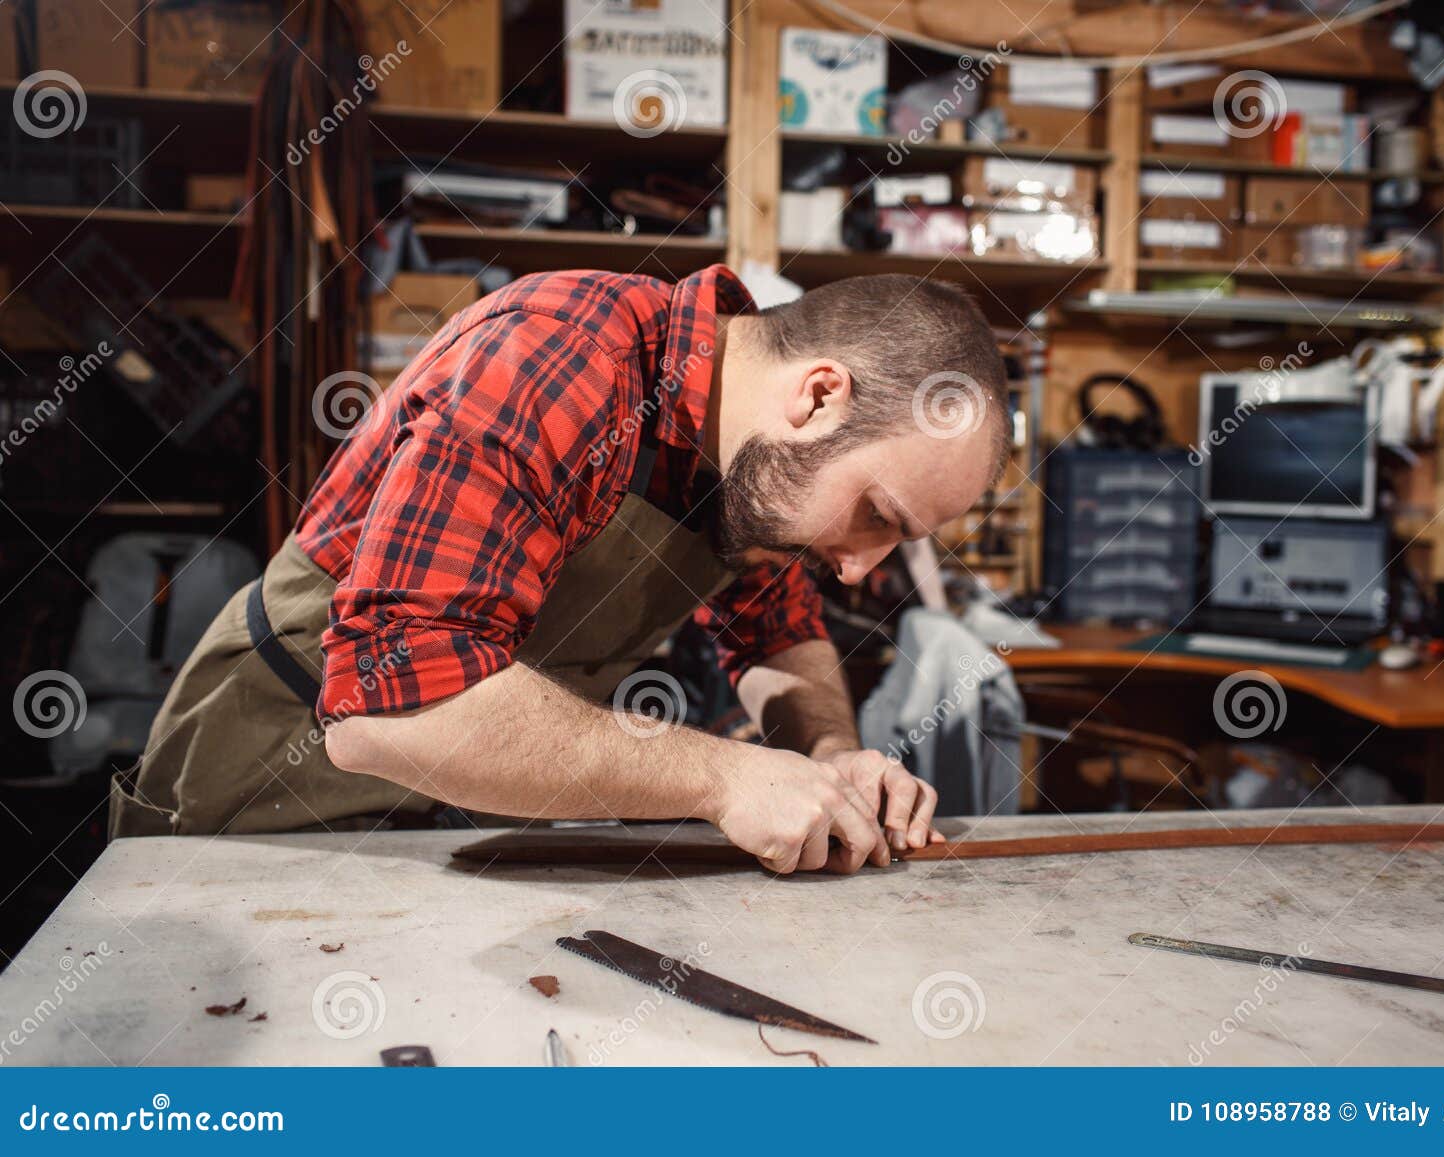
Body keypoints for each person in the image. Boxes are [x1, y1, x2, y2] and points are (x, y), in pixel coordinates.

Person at [111, 265, 1009, 875]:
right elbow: (389, 710)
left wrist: (831, 757)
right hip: (274, 780)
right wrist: (724, 777)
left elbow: (778, 627)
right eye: (875, 516)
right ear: (818, 396)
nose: (859, 568)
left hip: (466, 814)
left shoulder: (749, 465)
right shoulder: (559, 358)